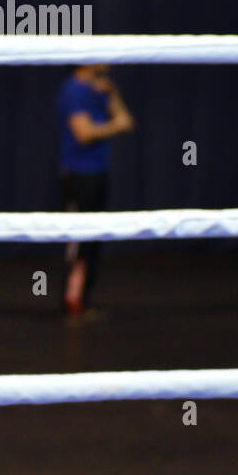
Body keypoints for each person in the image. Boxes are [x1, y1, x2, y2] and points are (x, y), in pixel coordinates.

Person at [56, 63, 135, 320]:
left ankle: (82, 299)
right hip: (79, 175)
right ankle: (73, 301)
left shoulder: (101, 88)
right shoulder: (74, 89)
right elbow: (83, 133)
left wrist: (112, 93)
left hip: (98, 172)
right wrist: (115, 126)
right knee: (80, 241)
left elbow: (127, 121)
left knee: (93, 241)